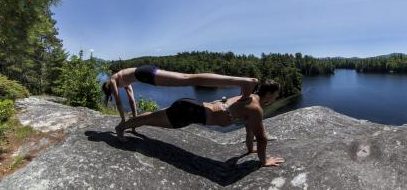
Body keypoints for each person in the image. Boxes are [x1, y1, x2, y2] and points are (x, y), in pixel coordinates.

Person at [114, 80, 285, 167]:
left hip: (191, 107)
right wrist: (264, 161)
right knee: (151, 120)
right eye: (276, 94)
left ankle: (127, 125)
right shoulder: (255, 108)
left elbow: (250, 131)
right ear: (269, 94)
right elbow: (262, 138)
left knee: (151, 117)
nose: (276, 98)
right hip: (189, 112)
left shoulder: (250, 100)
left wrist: (250, 150)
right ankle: (121, 127)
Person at [102, 65, 258, 127]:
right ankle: (243, 83)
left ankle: (243, 82)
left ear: (108, 87)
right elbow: (131, 99)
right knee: (189, 79)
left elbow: (119, 102)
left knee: (189, 79)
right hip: (145, 73)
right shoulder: (122, 79)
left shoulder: (113, 80)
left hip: (145, 74)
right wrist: (133, 121)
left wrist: (123, 120)